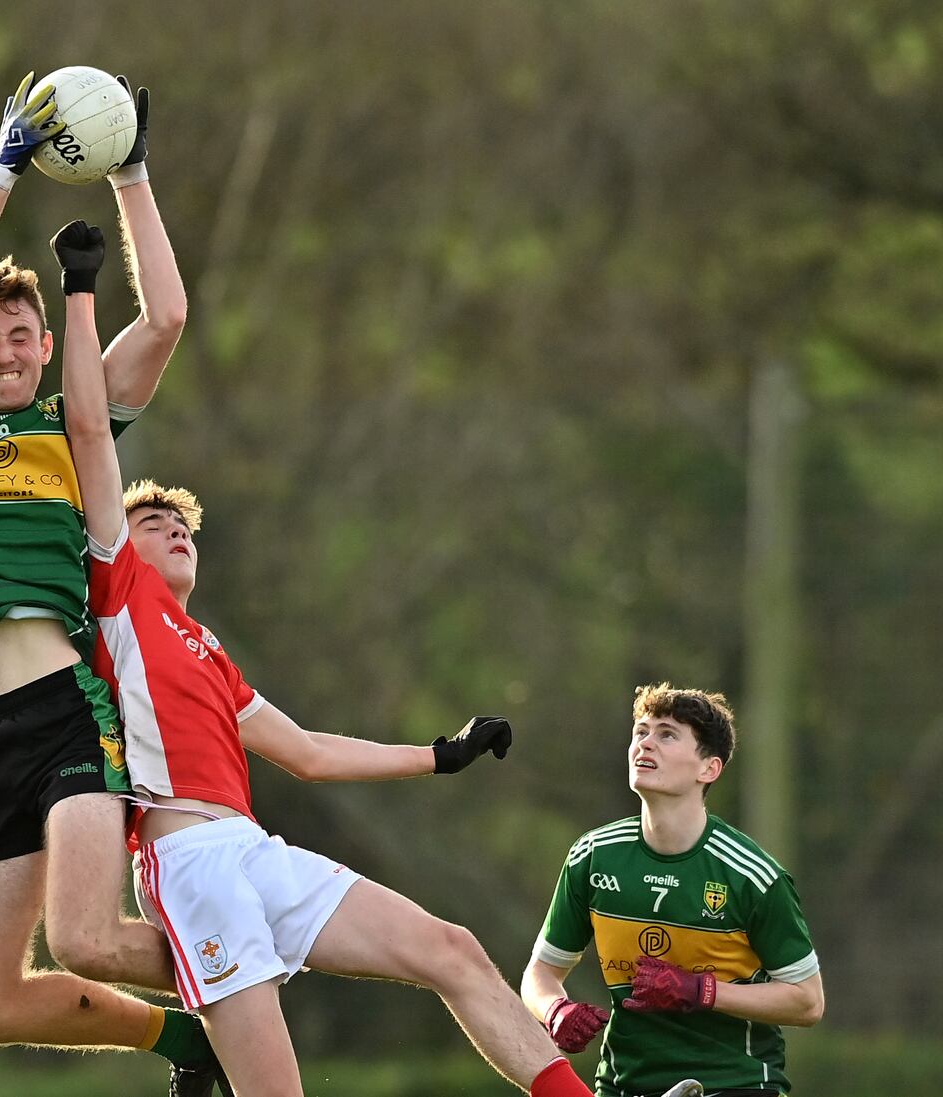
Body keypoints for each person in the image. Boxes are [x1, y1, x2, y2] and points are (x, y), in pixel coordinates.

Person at [50, 217, 605, 1097]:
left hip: (252, 848)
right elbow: (87, 430)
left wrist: (438, 754)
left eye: (183, 523)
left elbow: (305, 752)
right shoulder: (120, 590)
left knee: (452, 948)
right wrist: (80, 294)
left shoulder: (207, 648)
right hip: (185, 857)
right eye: (155, 523)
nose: (173, 531)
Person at [0, 75, 225, 1092]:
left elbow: (165, 316)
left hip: (66, 708)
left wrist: (130, 172)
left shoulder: (69, 428)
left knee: (83, 935)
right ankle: (192, 1041)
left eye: (19, 338)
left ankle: (270, 965)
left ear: (46, 349)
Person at [521, 684, 824, 1097]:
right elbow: (541, 973)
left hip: (737, 1084)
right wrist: (555, 1010)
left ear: (709, 769)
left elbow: (807, 1002)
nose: (645, 744)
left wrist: (702, 991)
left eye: (666, 734)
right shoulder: (593, 857)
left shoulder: (753, 876)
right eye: (640, 732)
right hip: (624, 1086)